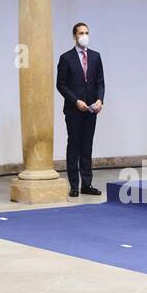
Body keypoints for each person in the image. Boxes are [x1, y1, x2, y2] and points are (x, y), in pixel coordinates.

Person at [57, 22, 105, 197]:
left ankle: (87, 183)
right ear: (74, 36)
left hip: (91, 109)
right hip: (73, 109)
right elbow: (61, 84)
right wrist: (75, 100)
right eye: (80, 33)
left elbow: (100, 81)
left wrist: (100, 99)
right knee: (74, 146)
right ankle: (74, 185)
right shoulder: (66, 58)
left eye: (86, 32)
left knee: (87, 146)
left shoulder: (95, 56)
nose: (84, 35)